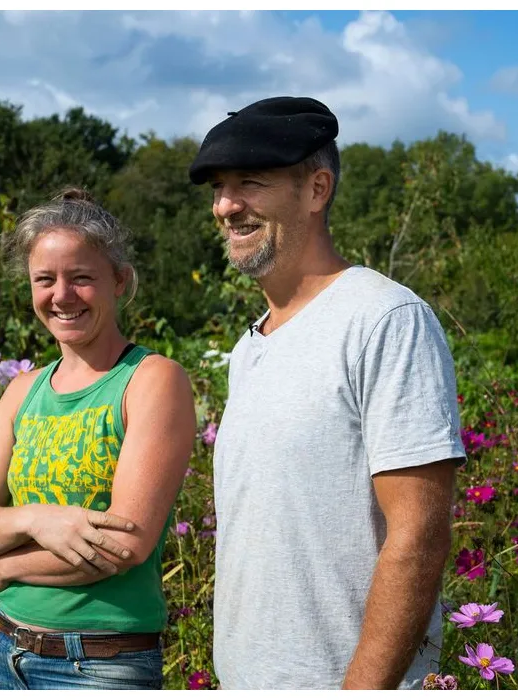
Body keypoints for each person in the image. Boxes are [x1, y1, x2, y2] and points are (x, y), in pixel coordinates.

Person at [188, 96, 467, 690]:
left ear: (317, 189)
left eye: (251, 183)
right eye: (219, 186)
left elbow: (418, 535)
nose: (226, 205)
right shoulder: (250, 348)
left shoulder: (384, 319)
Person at [0, 187, 196, 690]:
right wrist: (39, 518)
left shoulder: (151, 380)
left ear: (119, 281)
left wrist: (4, 567)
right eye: (45, 280)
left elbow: (122, 545)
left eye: (82, 278)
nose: (61, 295)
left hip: (98, 664)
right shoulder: (22, 390)